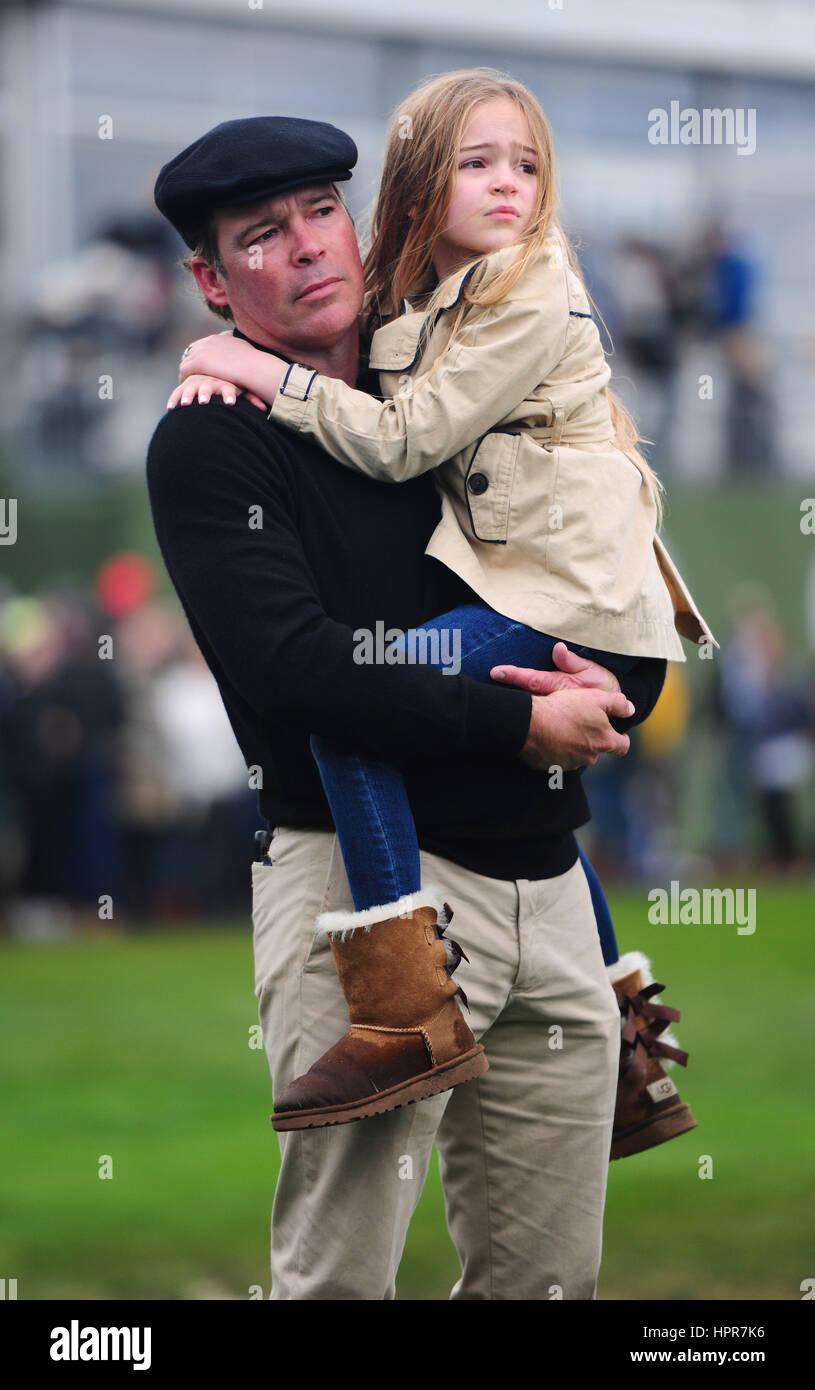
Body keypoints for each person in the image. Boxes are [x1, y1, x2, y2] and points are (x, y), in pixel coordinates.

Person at [149, 110, 667, 1300]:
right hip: (358, 902)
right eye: (260, 235)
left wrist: (618, 684)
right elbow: (300, 669)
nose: (307, 247)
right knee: (338, 1287)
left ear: (359, 217)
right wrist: (513, 722)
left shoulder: (445, 361)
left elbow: (599, 554)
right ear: (210, 278)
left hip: (546, 885)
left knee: (547, 1289)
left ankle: (627, 1000)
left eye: (322, 212)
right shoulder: (212, 445)